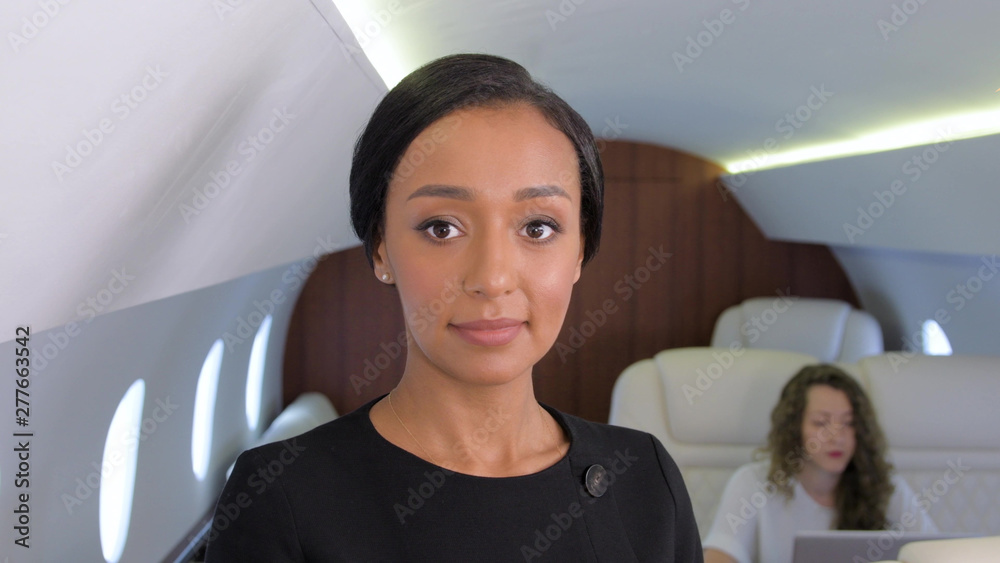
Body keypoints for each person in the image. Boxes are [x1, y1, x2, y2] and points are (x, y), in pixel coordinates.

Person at [205, 53, 702, 562]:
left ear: (579, 250)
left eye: (537, 228)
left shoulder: (643, 476)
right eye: (441, 227)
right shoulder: (280, 494)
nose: (492, 279)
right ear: (381, 248)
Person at [702, 364, 937, 563]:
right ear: (794, 429)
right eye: (821, 423)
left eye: (848, 423)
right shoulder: (754, 482)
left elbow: (935, 553)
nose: (837, 437)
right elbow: (719, 555)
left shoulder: (885, 486)